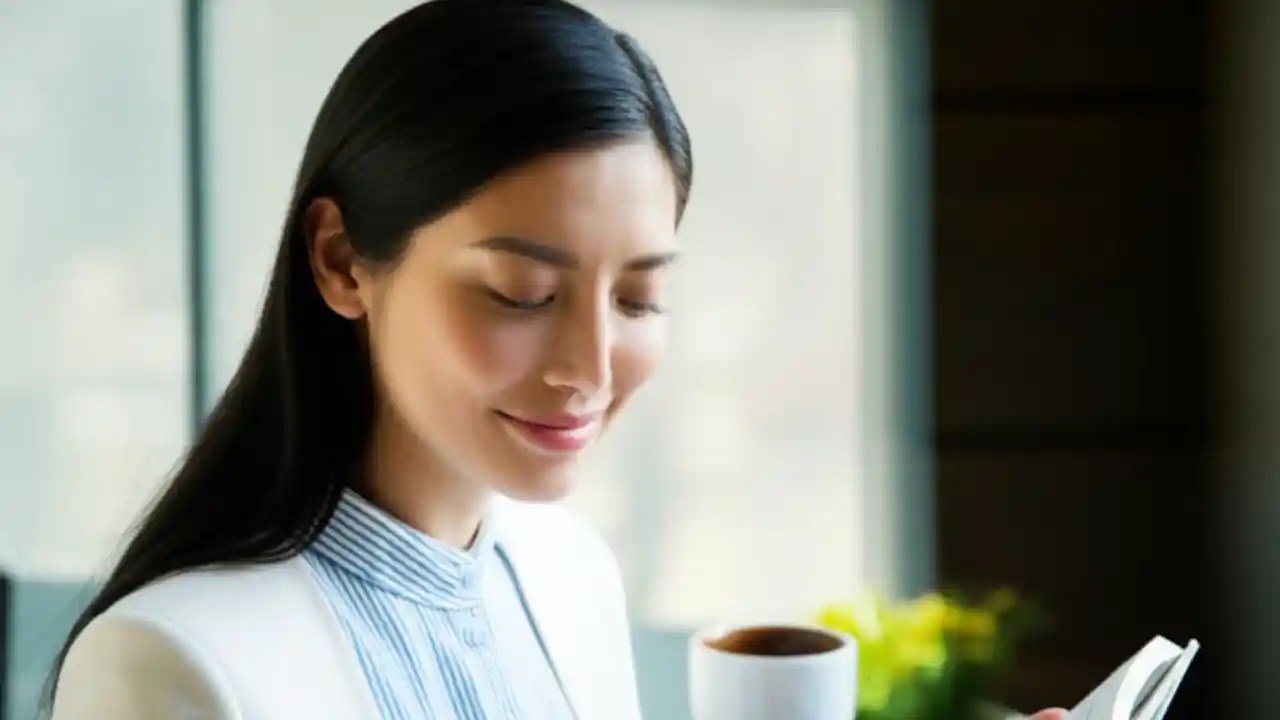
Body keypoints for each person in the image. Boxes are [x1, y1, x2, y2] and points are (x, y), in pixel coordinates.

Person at [45, 1, 1069, 718]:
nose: (589, 364)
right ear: (340, 261)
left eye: (637, 297)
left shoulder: (568, 574)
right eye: (520, 294)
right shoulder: (169, 664)